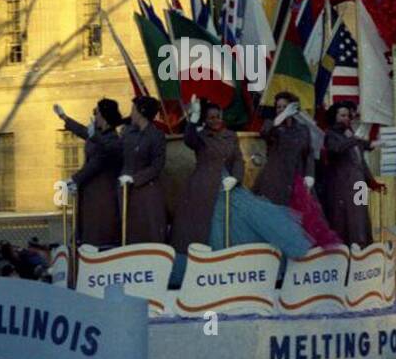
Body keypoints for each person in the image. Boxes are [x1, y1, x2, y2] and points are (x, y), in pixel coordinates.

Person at [172, 98, 244, 254]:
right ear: (205, 119)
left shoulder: (231, 135)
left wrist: (236, 178)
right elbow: (189, 140)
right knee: (204, 226)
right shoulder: (200, 136)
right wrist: (194, 118)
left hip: (227, 185)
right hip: (203, 187)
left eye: (218, 117)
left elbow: (238, 159)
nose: (216, 121)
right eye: (211, 118)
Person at [55, 98, 124, 248]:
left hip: (102, 193)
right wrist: (64, 117)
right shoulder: (98, 134)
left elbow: (97, 162)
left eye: (96, 112)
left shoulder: (112, 139)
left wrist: (74, 179)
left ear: (104, 116)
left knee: (99, 230)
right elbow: (83, 131)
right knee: (87, 229)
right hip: (90, 190)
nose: (94, 115)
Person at [321, 102, 377, 248]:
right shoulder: (331, 135)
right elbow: (336, 149)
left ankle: (363, 245)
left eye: (348, 116)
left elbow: (360, 160)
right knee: (348, 216)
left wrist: (370, 180)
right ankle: (350, 246)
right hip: (343, 184)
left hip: (359, 183)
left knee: (361, 214)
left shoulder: (350, 135)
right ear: (335, 117)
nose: (346, 118)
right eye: (342, 115)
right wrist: (353, 139)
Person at [118, 95, 167, 244]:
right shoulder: (128, 133)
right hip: (127, 191)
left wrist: (135, 178)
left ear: (141, 112)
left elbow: (157, 165)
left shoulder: (156, 135)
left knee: (148, 232)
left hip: (146, 193)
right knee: (130, 233)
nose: (131, 113)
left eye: (133, 110)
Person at [254, 92, 312, 206]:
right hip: (275, 178)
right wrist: (280, 118)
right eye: (278, 107)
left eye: (285, 107)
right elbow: (265, 133)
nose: (281, 110)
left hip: (296, 178)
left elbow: (308, 153)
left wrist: (310, 175)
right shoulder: (271, 125)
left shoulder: (303, 129)